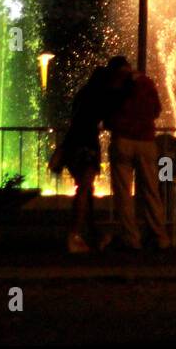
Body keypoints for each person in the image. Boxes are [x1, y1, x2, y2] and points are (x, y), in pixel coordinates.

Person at [105, 56, 170, 251]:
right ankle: (159, 236)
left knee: (123, 194)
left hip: (123, 140)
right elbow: (157, 109)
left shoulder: (115, 82)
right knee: (151, 191)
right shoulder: (146, 82)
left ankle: (131, 238)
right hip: (146, 141)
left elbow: (108, 111)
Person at [58, 66, 116, 253]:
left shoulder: (83, 94)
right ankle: (74, 234)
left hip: (72, 144)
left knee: (86, 190)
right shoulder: (99, 97)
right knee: (84, 189)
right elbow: (107, 121)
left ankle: (91, 233)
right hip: (86, 146)